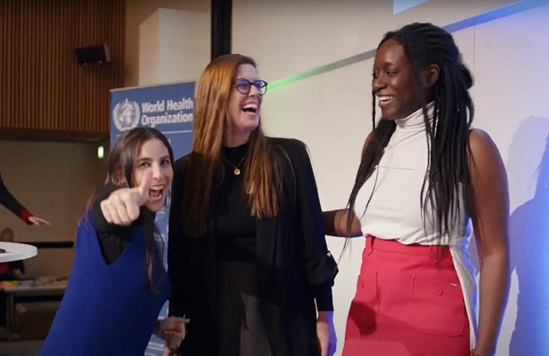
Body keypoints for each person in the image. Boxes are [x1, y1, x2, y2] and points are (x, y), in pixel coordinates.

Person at [323, 23, 510, 356]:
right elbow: (362, 220)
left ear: (430, 75)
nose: (377, 83)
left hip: (434, 319)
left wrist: (486, 349)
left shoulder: (470, 146)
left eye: (390, 72)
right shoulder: (375, 143)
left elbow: (495, 253)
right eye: (375, 73)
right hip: (369, 315)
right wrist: (298, 215)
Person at [166, 54, 338, 356]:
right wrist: (176, 329)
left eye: (258, 85)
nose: (256, 92)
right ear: (215, 97)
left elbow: (312, 243)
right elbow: (181, 262)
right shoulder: (188, 173)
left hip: (281, 316)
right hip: (210, 321)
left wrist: (325, 316)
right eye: (243, 85)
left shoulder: (289, 158)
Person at [40, 127, 188, 355]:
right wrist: (118, 199)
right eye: (144, 165)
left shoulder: (146, 232)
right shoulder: (110, 215)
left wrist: (157, 326)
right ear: (121, 176)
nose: (158, 174)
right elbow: (107, 208)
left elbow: (114, 307)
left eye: (165, 162)